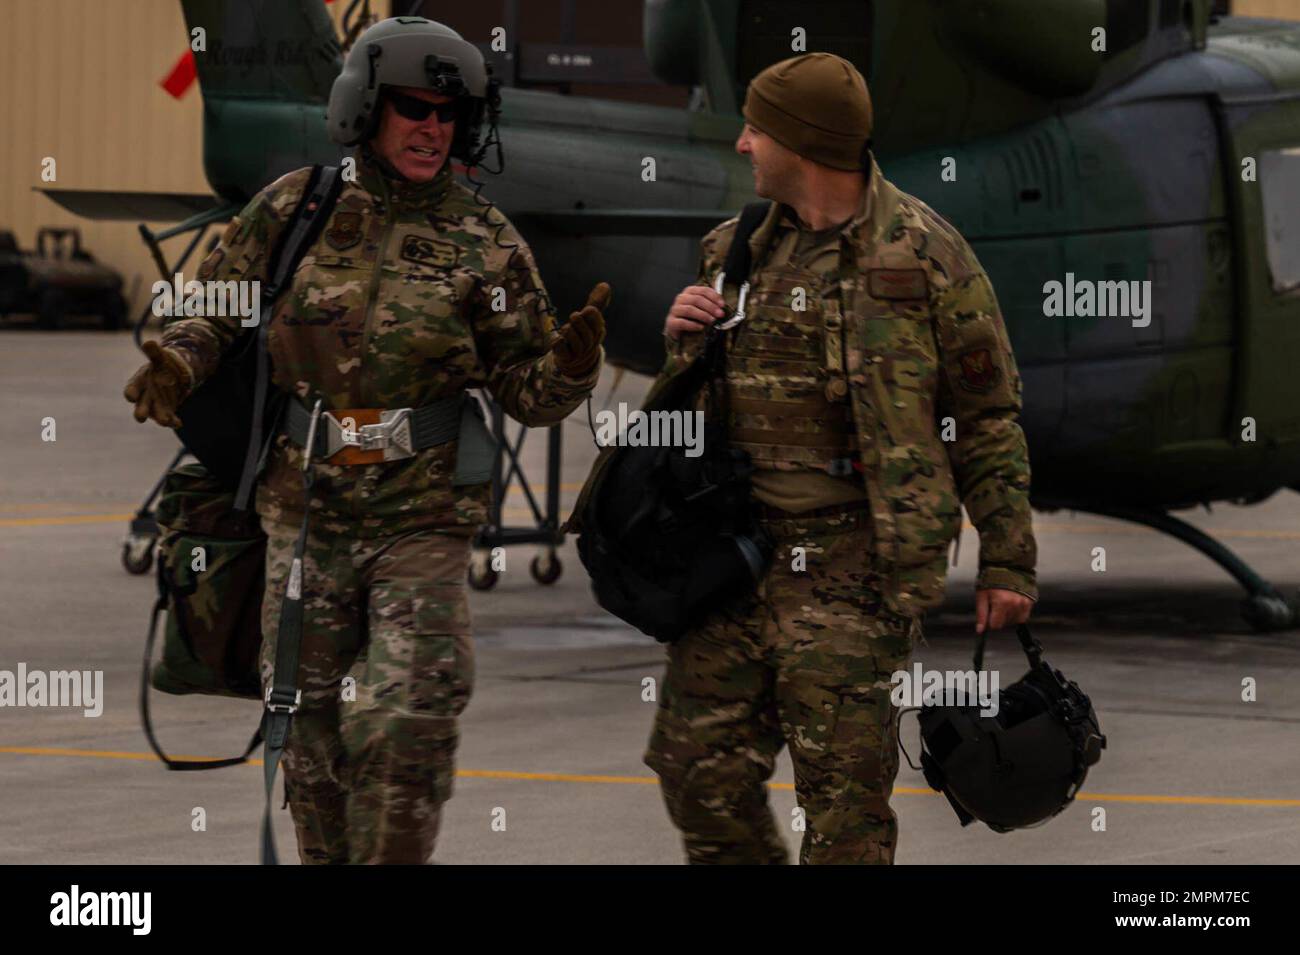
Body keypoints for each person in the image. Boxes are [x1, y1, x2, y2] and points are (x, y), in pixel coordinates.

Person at [123, 17, 607, 864]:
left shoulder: (486, 244)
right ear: (366, 109)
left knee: (407, 719)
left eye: (450, 114)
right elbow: (219, 311)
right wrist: (181, 362)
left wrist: (570, 367)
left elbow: (529, 393)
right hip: (303, 511)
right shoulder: (295, 208)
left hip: (419, 517)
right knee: (312, 743)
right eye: (415, 107)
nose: (433, 128)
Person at [643, 52, 1037, 864]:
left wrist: (1008, 557)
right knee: (695, 771)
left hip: (855, 570)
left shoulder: (928, 255)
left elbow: (988, 415)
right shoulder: (737, 249)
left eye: (758, 130)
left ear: (804, 143)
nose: (744, 146)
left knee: (844, 813)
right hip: (735, 559)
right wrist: (682, 343)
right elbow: (690, 413)